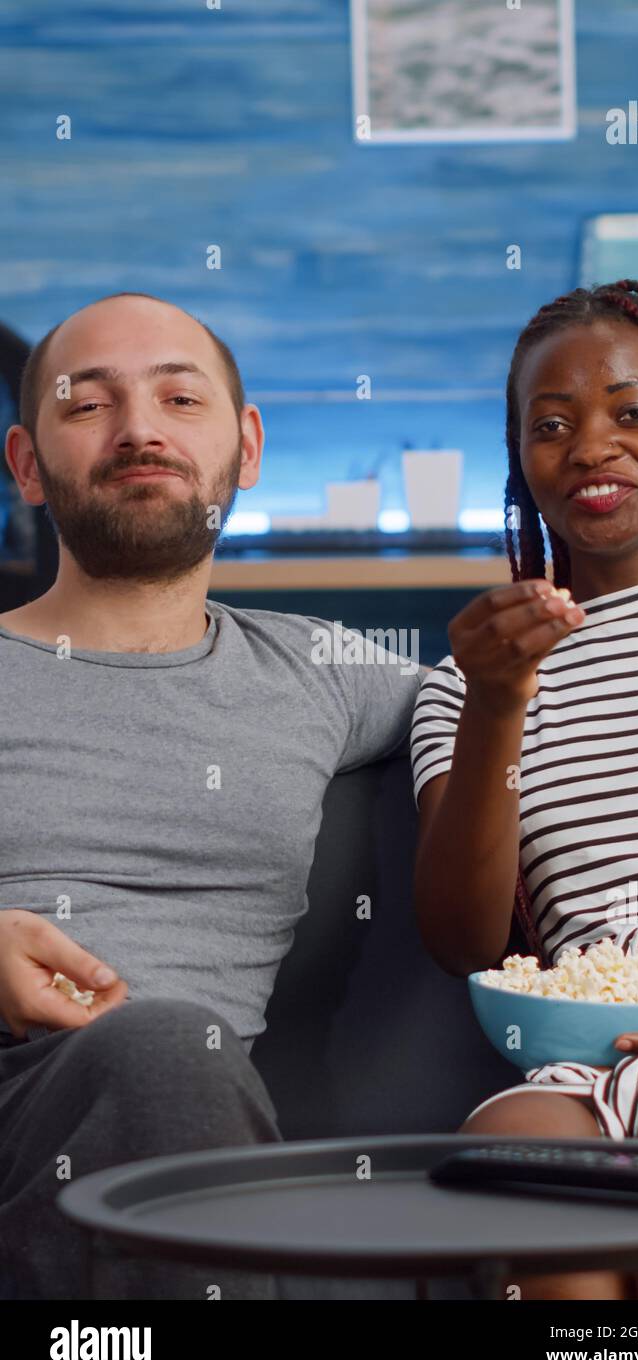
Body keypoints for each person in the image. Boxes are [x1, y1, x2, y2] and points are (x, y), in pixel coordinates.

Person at [0, 291, 426, 1300]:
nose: (139, 430)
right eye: (88, 404)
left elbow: (579, 736)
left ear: (246, 446)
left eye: (178, 399)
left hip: (180, 1130)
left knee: (166, 1049)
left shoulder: (324, 670)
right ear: (26, 464)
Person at [411, 279, 638, 1301]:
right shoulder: (468, 681)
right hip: (573, 1064)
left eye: (630, 413)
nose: (591, 444)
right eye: (550, 426)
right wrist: (495, 703)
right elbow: (464, 938)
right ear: (521, 460)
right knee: (518, 1157)